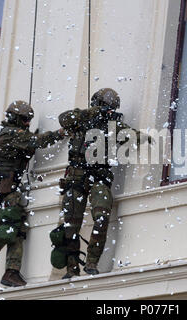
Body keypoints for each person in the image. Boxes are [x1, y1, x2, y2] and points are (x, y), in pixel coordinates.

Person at [0, 101, 65, 294]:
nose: (27, 123)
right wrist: (60, 133)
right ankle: (10, 273)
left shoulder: (1, 134)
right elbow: (38, 141)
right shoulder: (12, 134)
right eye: (25, 119)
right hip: (6, 190)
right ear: (15, 118)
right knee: (13, 228)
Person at [58, 88, 150, 277]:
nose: (108, 112)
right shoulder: (80, 120)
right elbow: (64, 119)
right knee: (71, 226)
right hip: (76, 178)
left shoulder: (112, 125)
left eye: (111, 109)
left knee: (101, 217)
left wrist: (149, 138)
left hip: (99, 178)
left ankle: (92, 261)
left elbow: (132, 136)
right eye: (106, 108)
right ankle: (71, 267)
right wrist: (89, 114)